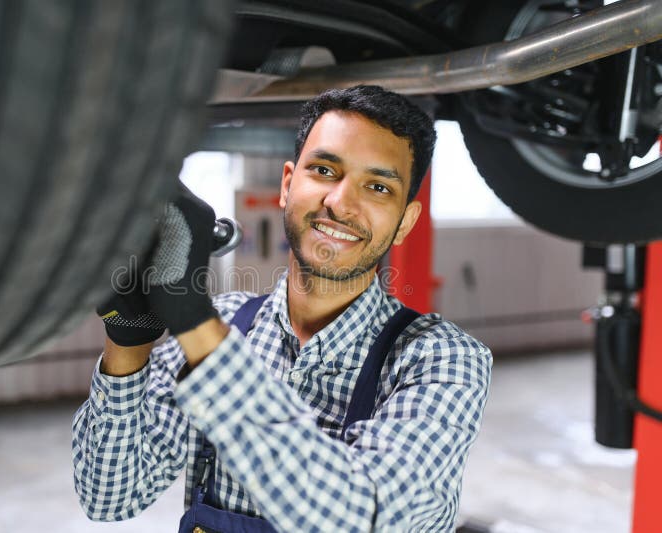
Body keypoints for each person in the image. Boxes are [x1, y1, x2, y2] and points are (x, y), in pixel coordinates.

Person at [72, 85, 492, 532]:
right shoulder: (227, 325)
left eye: (377, 186)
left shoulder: (443, 359)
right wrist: (130, 339)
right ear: (288, 185)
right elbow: (108, 498)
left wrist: (193, 320)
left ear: (406, 221)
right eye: (325, 170)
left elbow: (360, 516)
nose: (340, 203)